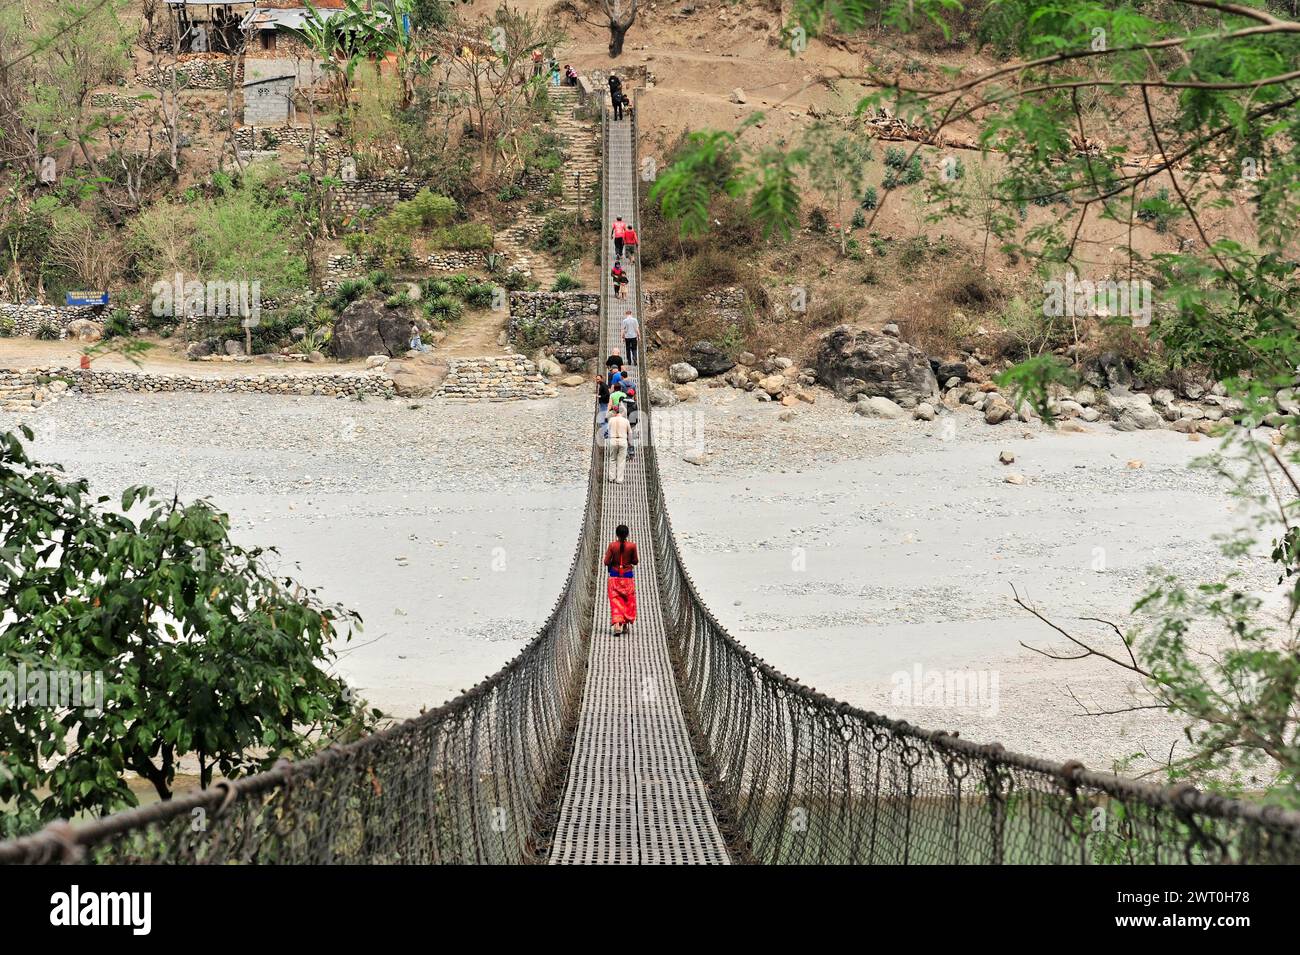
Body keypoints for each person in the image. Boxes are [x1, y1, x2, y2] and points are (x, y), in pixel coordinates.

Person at [604, 523, 638, 635]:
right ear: (627, 534)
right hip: (627, 577)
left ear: (616, 534)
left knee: (616, 601)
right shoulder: (632, 546)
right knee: (627, 601)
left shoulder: (612, 546)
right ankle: (624, 626)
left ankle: (617, 625)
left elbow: (606, 562)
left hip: (614, 577)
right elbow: (635, 561)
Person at [605, 404, 631, 485]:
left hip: (613, 440)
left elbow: (607, 431)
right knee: (621, 461)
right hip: (623, 440)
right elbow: (630, 433)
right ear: (622, 413)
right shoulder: (626, 421)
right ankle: (619, 480)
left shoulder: (611, 420)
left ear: (614, 412)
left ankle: (611, 478)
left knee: (612, 459)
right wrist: (630, 444)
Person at [623, 384, 639, 459]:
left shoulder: (622, 402)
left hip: (623, 422)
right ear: (632, 396)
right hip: (631, 423)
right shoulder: (635, 404)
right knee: (630, 437)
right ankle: (631, 453)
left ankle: (624, 453)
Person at [595, 373, 611, 438]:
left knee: (603, 418)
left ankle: (606, 432)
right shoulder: (603, 385)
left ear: (602, 379)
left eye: (598, 379)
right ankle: (606, 432)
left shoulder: (603, 386)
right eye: (596, 379)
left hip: (604, 403)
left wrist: (600, 396)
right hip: (604, 403)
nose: (597, 380)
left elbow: (607, 394)